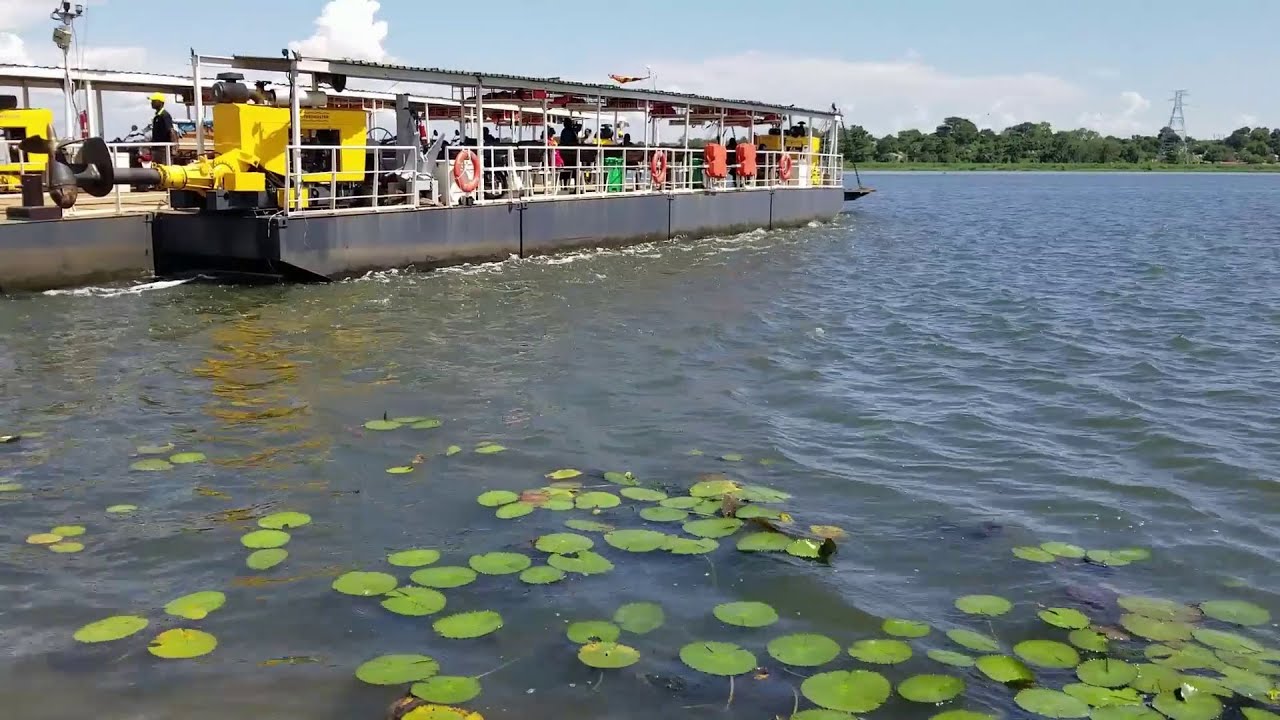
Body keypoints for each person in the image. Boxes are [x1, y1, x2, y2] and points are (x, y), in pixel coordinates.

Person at [148, 92, 176, 165]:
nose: (151, 103)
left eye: (154, 101)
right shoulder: (157, 116)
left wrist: (173, 148)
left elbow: (171, 131)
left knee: (164, 168)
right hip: (157, 148)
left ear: (160, 102)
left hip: (163, 149)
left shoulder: (164, 115)